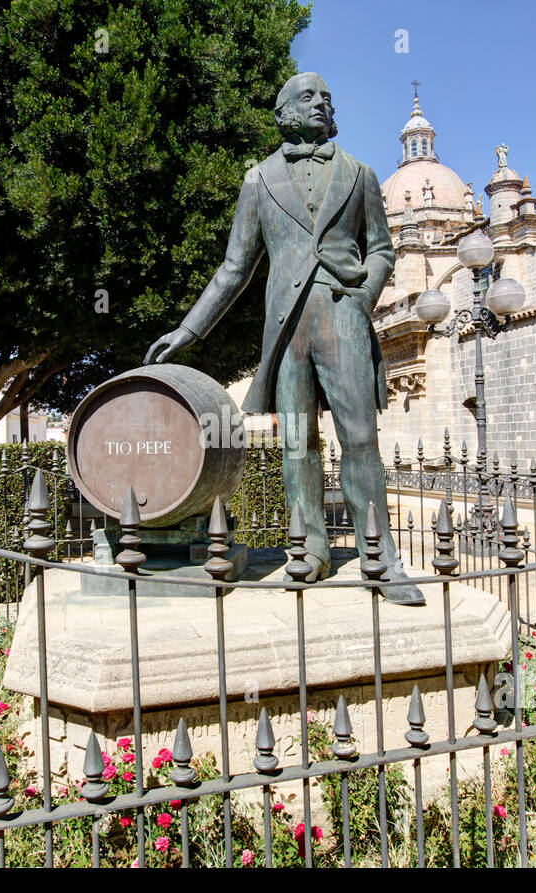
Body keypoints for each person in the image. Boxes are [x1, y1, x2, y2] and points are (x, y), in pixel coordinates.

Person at [145, 72, 423, 604]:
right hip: (287, 326)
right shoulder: (259, 180)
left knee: (361, 438)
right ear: (284, 112)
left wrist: (365, 295)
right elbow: (234, 269)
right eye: (308, 96)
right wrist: (189, 328)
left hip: (344, 314)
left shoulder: (361, 174)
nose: (321, 102)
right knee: (298, 444)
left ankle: (380, 556)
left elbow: (382, 249)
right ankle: (311, 551)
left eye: (327, 96)